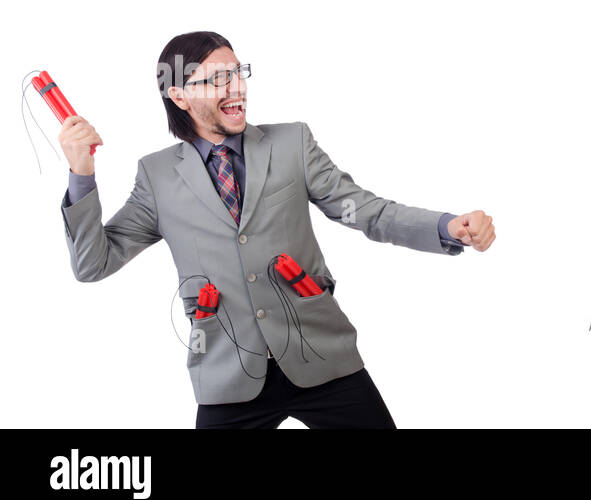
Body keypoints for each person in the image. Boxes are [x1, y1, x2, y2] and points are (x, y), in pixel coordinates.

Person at [57, 31, 496, 428]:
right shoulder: (157, 177)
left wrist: (446, 227)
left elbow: (365, 212)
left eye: (237, 72)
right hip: (228, 374)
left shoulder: (292, 145)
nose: (236, 88)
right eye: (216, 79)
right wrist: (82, 171)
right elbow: (94, 264)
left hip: (323, 358)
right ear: (180, 95)